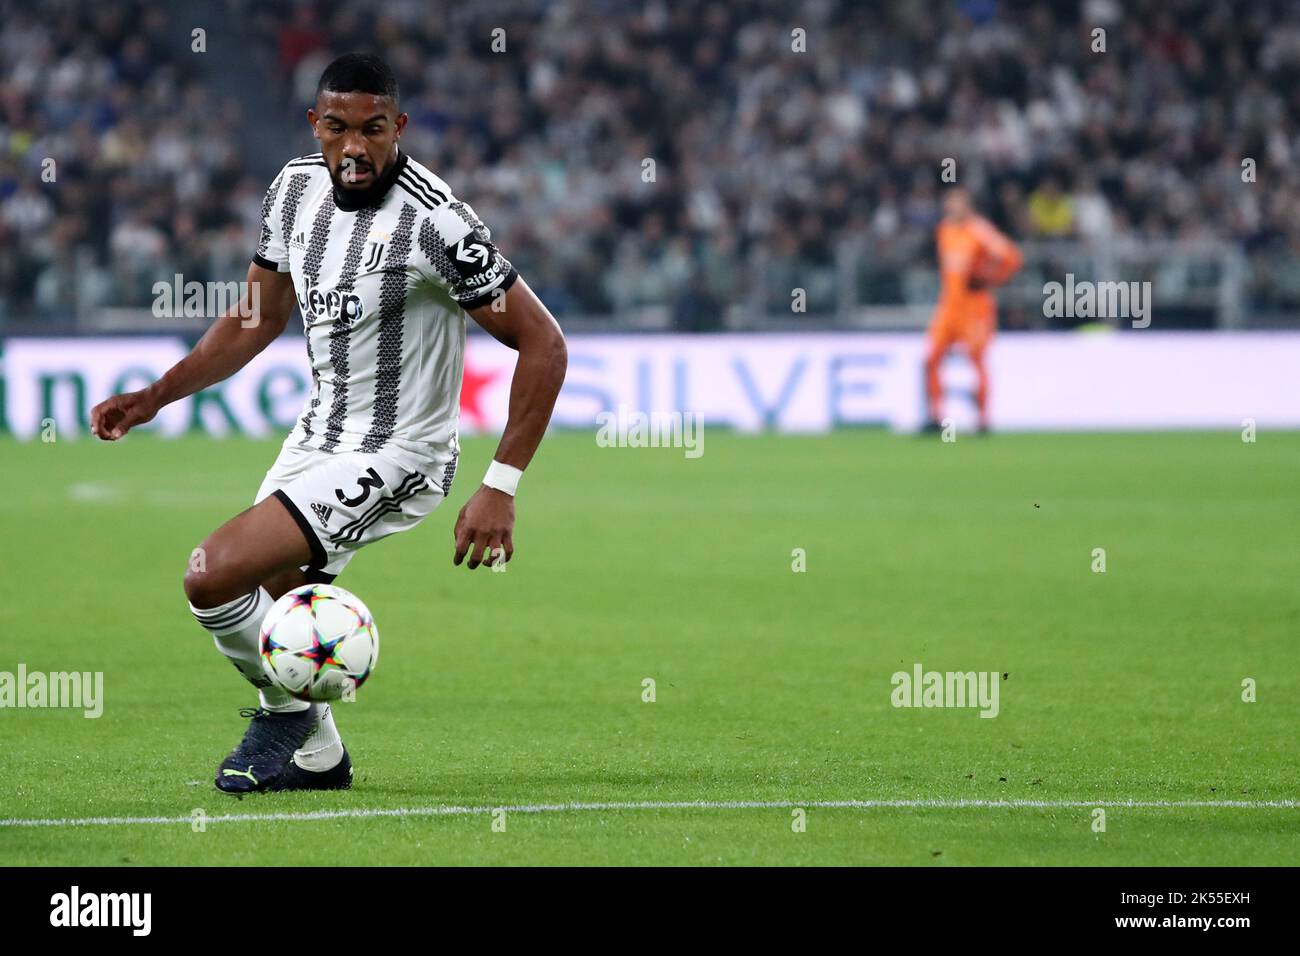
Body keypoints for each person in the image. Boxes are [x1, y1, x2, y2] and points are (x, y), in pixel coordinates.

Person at [89, 53, 568, 794]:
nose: (355, 148)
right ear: (315, 126)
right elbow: (256, 320)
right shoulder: (291, 192)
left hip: (401, 450)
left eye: (373, 129)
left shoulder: (436, 222)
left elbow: (544, 341)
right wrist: (156, 395)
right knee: (278, 597)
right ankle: (320, 756)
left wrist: (500, 484)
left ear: (397, 127)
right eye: (338, 128)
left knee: (211, 576)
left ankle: (283, 715)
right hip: (316, 437)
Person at [924, 187, 1022, 433]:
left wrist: (990, 278)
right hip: (948, 306)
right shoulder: (944, 230)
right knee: (932, 358)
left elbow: (1012, 257)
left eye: (956, 203)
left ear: (967, 205)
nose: (951, 207)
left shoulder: (979, 230)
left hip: (975, 307)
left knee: (976, 360)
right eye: (948, 203)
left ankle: (983, 420)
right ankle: (937, 418)